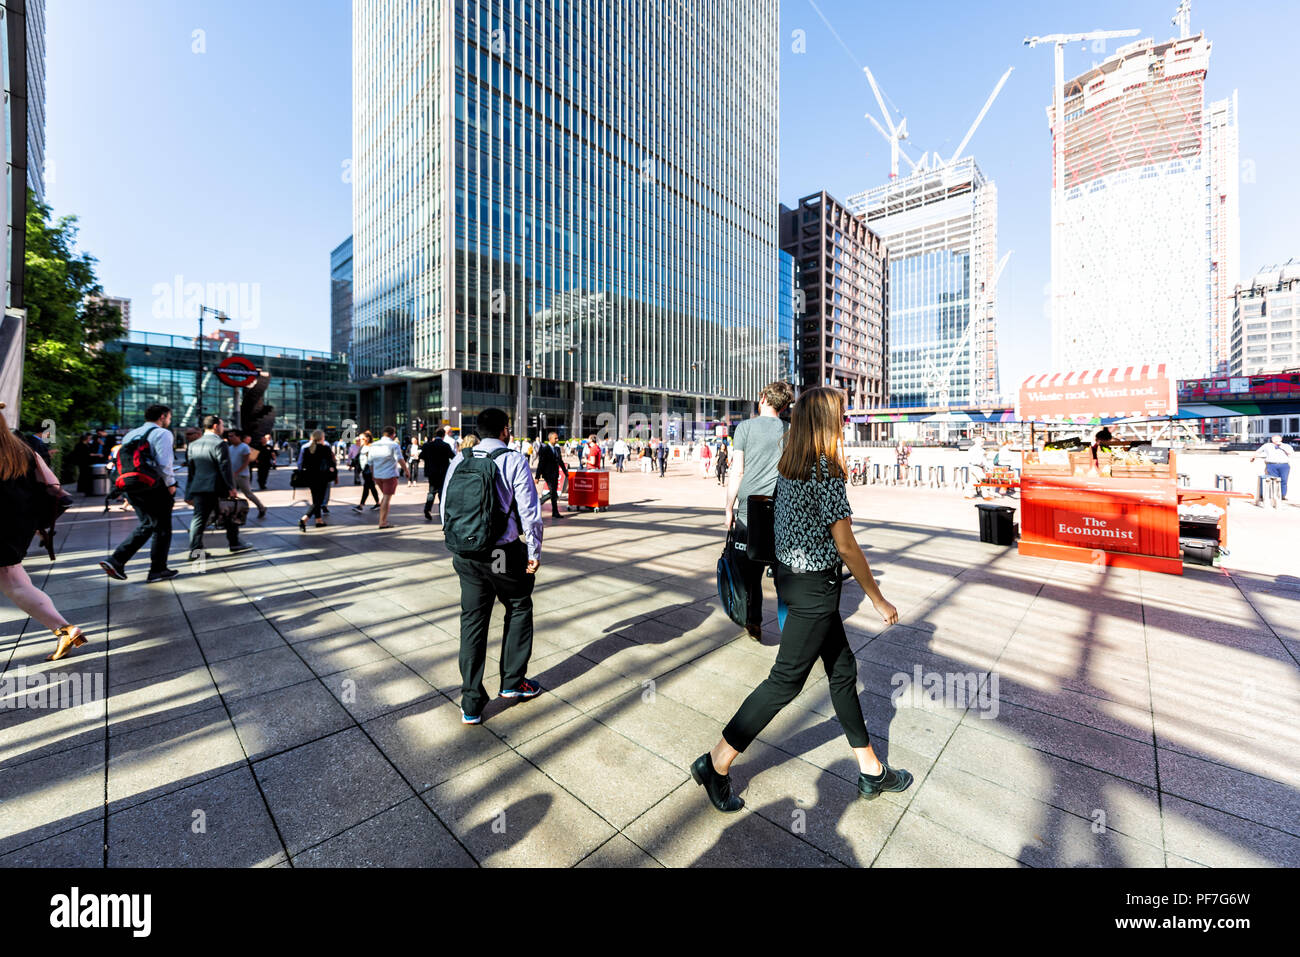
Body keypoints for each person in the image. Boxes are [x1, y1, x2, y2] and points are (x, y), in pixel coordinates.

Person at [691, 387, 909, 813]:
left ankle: (871, 770)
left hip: (792, 580)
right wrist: (879, 600)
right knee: (784, 682)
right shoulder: (824, 470)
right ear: (826, 421)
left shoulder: (790, 465)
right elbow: (846, 546)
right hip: (815, 590)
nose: (845, 421)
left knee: (843, 670)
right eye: (841, 415)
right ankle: (716, 762)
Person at [441, 407, 544, 725]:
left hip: (467, 555)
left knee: (472, 622)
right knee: (518, 605)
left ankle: (470, 704)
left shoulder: (460, 459)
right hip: (501, 553)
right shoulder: (513, 459)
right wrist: (534, 552)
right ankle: (513, 683)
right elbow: (529, 510)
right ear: (504, 430)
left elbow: (447, 506)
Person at [0, 402, 91, 661]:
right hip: (20, 522)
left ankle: (66, 629)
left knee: (13, 581)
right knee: (15, 580)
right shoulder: (21, 448)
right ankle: (65, 631)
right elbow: (52, 484)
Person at [724, 381, 794, 640]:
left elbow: (737, 471)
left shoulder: (744, 427)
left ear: (763, 398)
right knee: (783, 577)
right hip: (781, 513)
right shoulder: (790, 430)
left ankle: (753, 622)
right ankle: (790, 631)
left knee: (750, 573)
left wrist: (728, 508)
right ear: (784, 405)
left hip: (748, 513)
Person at [99, 404, 180, 583]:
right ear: (163, 416)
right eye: (169, 416)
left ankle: (117, 560)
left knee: (148, 524)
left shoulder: (131, 434)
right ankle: (157, 570)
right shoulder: (162, 433)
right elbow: (164, 463)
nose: (169, 420)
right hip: (153, 486)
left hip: (131, 485)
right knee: (162, 527)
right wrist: (171, 484)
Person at [185, 415, 252, 560]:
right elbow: (225, 467)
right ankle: (234, 543)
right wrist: (231, 487)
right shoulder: (220, 443)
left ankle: (196, 550)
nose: (223, 428)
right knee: (229, 512)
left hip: (199, 487)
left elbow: (191, 471)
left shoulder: (193, 444)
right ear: (215, 426)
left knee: (199, 519)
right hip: (216, 487)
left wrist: (188, 492)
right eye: (222, 425)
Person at [364, 425, 408, 529]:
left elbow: (370, 462)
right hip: (390, 475)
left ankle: (383, 520)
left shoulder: (374, 445)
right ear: (393, 434)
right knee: (386, 498)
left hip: (378, 475)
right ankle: (382, 522)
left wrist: (373, 474)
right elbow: (400, 459)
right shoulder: (394, 445)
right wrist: (406, 470)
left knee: (384, 496)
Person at [296, 430, 338, 531]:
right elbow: (331, 464)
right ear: (322, 437)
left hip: (310, 478)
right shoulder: (325, 449)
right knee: (318, 501)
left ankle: (318, 520)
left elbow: (302, 464)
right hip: (322, 478)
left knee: (316, 499)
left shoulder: (307, 449)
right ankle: (304, 519)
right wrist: (334, 473)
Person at [226, 430, 267, 520]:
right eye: (229, 436)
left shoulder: (244, 447)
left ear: (238, 437)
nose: (230, 438)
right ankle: (232, 512)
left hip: (242, 475)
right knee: (230, 493)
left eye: (232, 436)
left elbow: (246, 462)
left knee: (248, 493)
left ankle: (261, 507)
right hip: (232, 474)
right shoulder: (230, 447)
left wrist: (237, 472)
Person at [421, 428, 457, 521]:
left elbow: (421, 456)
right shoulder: (445, 445)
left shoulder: (427, 445)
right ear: (443, 435)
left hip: (431, 473)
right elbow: (453, 457)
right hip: (443, 472)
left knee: (431, 491)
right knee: (442, 492)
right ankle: (442, 511)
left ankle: (427, 509)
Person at [534, 431, 568, 520]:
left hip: (555, 474)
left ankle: (539, 502)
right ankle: (554, 511)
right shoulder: (545, 449)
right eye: (555, 438)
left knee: (554, 494)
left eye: (557, 438)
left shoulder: (557, 449)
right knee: (553, 493)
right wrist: (537, 476)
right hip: (548, 475)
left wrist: (566, 473)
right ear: (550, 439)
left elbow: (560, 461)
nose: (557, 440)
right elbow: (541, 463)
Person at [1252, 434, 1293, 502]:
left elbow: (1290, 453)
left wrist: (1281, 446)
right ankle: (1272, 495)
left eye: (1278, 439)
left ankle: (1282, 495)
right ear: (1272, 440)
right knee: (1272, 480)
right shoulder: (1267, 445)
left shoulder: (1286, 445)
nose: (1276, 440)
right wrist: (1253, 457)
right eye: (1274, 439)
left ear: (1281, 439)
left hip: (1284, 465)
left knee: (1284, 480)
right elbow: (1258, 451)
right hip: (1271, 465)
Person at [352, 433, 381, 511]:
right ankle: (378, 503)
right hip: (364, 470)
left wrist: (374, 472)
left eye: (363, 439)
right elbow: (358, 457)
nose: (360, 440)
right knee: (371, 487)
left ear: (368, 438)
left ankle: (361, 505)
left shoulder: (372, 447)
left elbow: (375, 459)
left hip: (369, 470)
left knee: (367, 487)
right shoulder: (362, 447)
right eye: (360, 439)